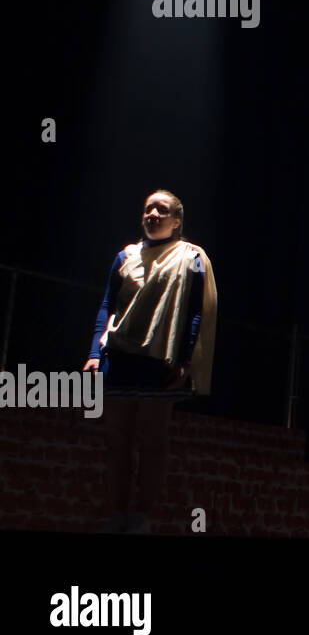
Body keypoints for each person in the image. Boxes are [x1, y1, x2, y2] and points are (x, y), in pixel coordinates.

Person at [82, 189, 218, 535]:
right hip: (120, 355)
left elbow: (194, 314)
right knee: (118, 439)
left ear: (176, 221)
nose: (153, 213)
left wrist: (186, 359)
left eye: (162, 209)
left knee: (154, 439)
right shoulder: (124, 256)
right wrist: (95, 354)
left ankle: (142, 514)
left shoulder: (190, 259)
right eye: (148, 209)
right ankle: (117, 513)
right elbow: (107, 303)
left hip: (160, 361)